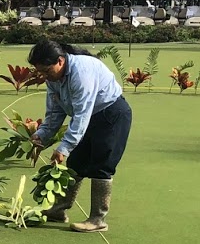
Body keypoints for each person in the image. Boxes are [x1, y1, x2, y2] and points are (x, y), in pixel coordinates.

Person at [26, 38, 131, 233]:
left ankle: (98, 219)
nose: (44, 76)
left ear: (60, 61)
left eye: (47, 71)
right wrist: (42, 136)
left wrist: (63, 147)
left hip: (111, 115)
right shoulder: (54, 79)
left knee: (101, 166)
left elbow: (82, 113)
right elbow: (55, 112)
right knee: (77, 164)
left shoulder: (81, 73)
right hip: (88, 117)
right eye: (40, 72)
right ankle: (58, 211)